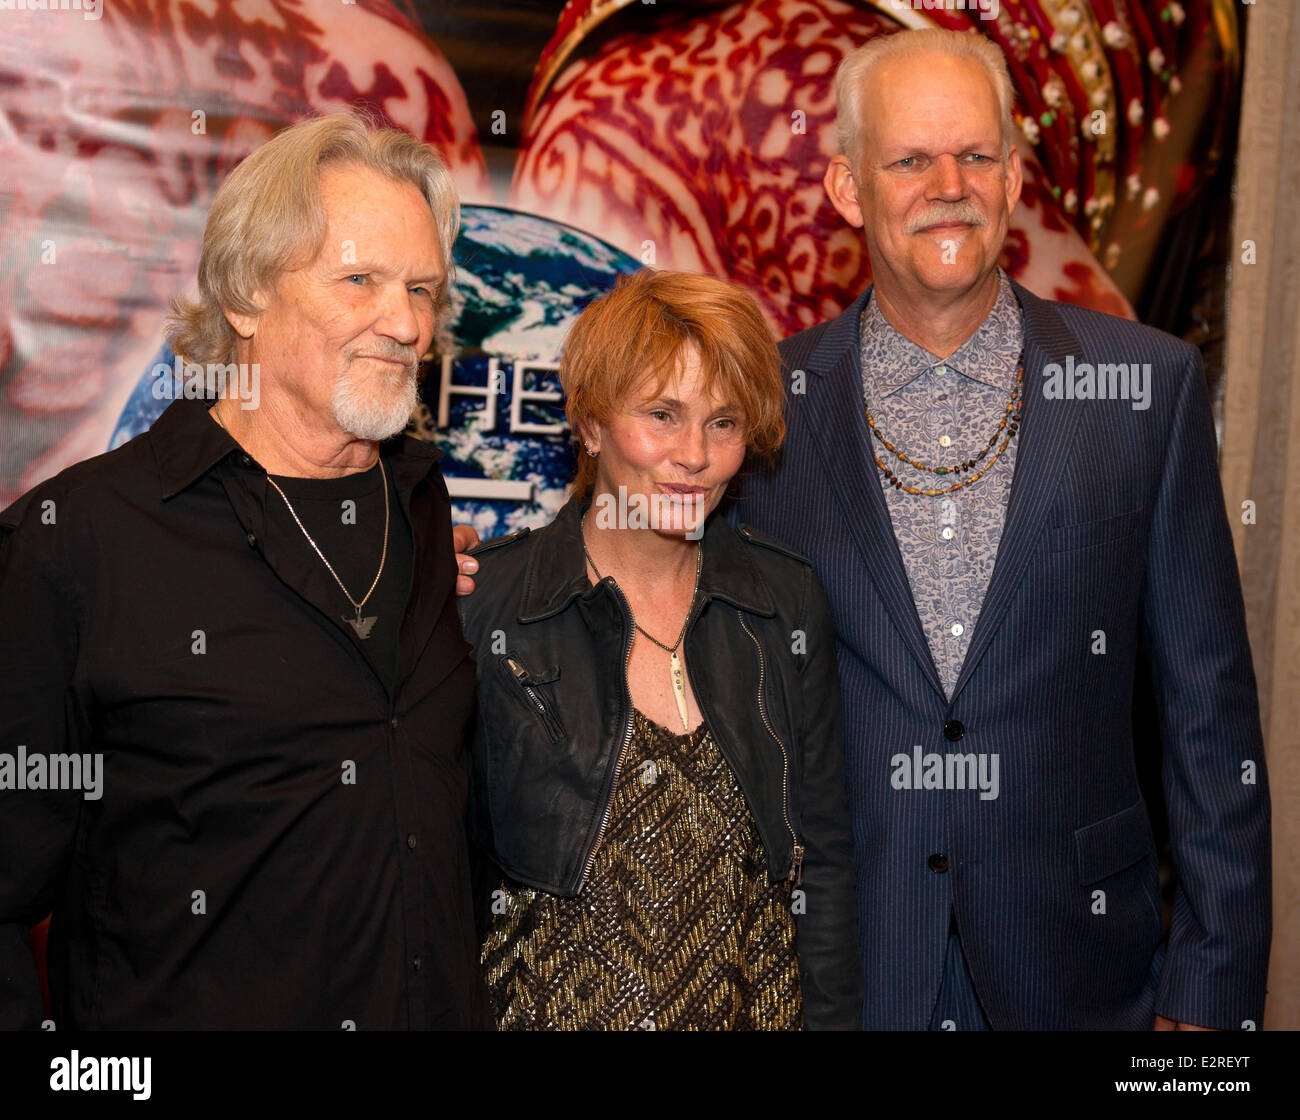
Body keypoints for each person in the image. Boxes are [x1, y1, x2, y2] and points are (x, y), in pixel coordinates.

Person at [737, 29, 1270, 1030]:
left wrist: (1210, 1002)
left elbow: (1210, 720)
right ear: (848, 189)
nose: (950, 183)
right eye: (908, 160)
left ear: (1016, 177)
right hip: (843, 977)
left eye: (975, 155)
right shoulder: (766, 406)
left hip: (1081, 972)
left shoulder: (1143, 392)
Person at [0, 113, 488, 1028]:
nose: (407, 323)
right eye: (361, 280)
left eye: (424, 288)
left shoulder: (421, 513)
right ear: (246, 295)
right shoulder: (81, 541)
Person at [456, 269, 861, 1030]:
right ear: (590, 423)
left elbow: (826, 869)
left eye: (724, 423)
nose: (694, 455)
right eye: (662, 414)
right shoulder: (487, 608)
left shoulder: (783, 601)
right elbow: (437, 882)